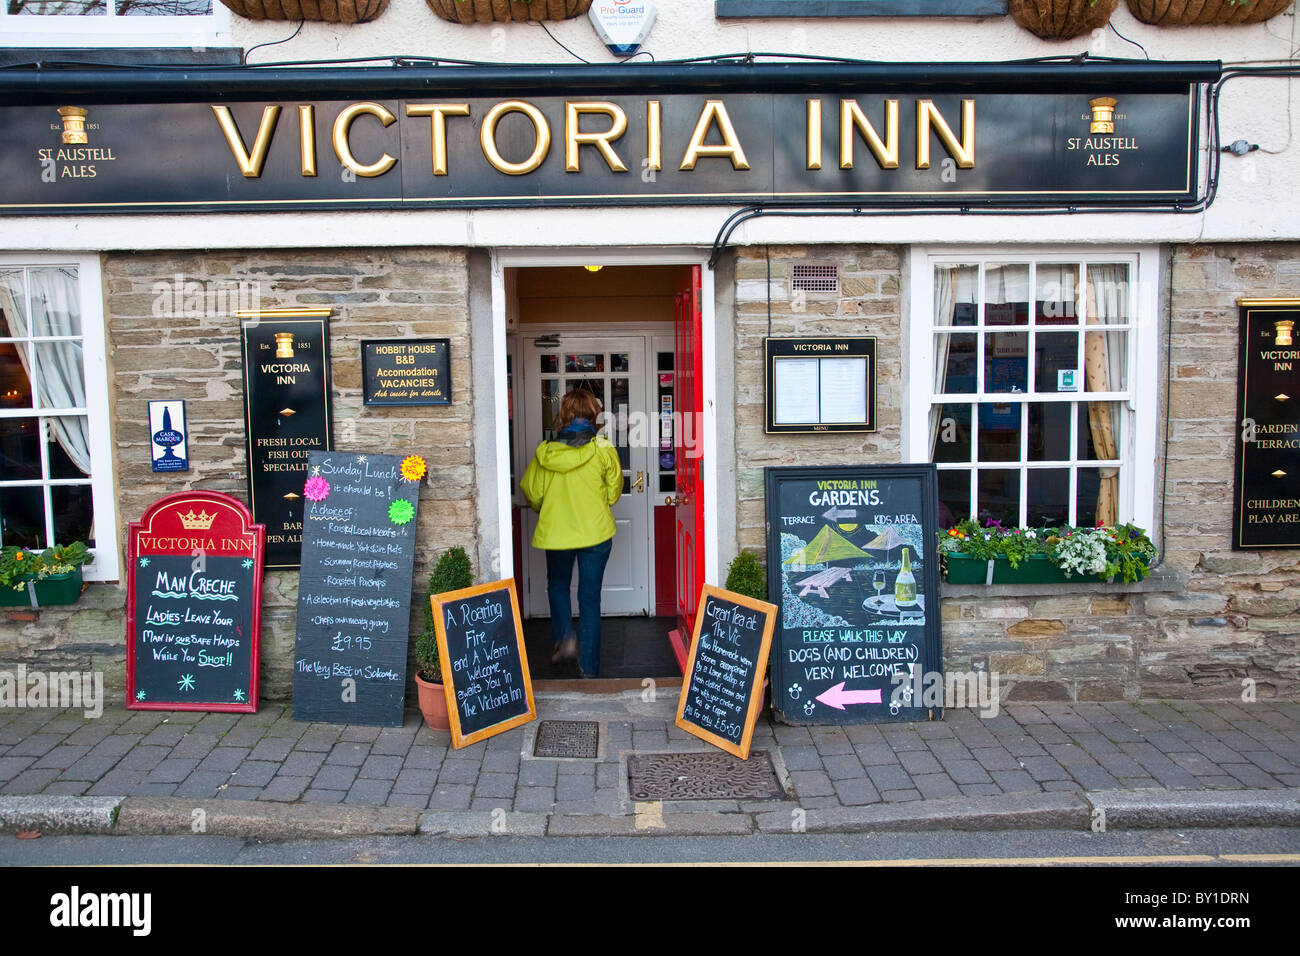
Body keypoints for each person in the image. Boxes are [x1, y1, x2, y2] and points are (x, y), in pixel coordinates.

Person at [521, 388, 623, 678]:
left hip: (558, 533)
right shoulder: (603, 449)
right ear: (593, 414)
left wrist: (551, 508)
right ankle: (589, 669)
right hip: (596, 533)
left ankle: (565, 636)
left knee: (558, 586)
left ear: (564, 415)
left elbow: (532, 492)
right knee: (590, 599)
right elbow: (614, 493)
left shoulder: (546, 452)